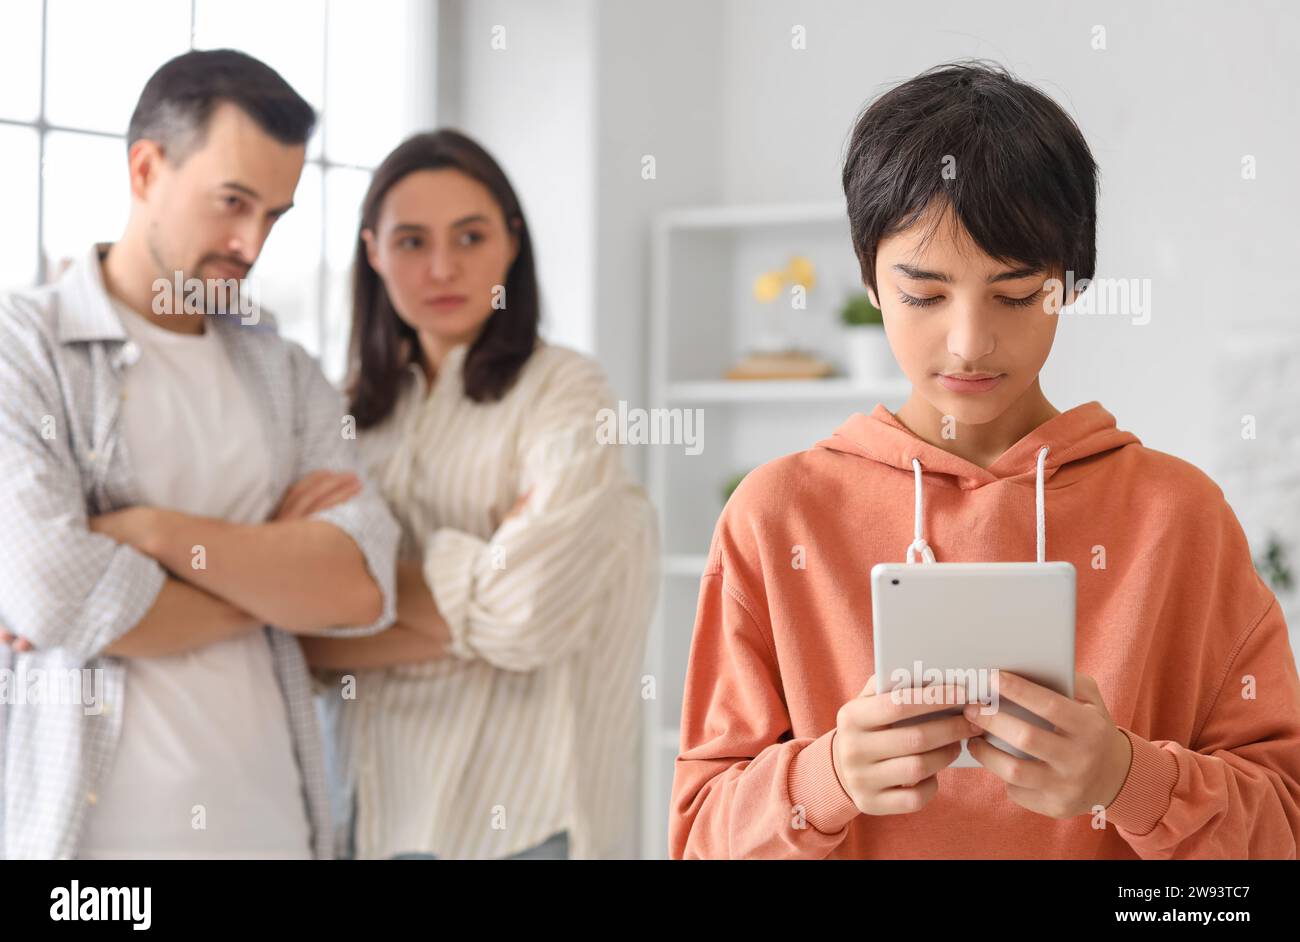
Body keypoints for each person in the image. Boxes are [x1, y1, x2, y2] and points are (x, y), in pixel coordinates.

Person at [669, 61, 1300, 859]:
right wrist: (824, 780)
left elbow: (1282, 830)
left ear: (1071, 283)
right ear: (870, 281)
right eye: (925, 295)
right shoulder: (775, 517)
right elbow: (698, 839)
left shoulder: (1181, 516)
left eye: (1015, 294)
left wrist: (1128, 779)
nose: (969, 342)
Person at [0, 49, 399, 859]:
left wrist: (148, 533)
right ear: (146, 170)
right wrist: (271, 583)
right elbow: (50, 593)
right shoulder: (24, 348)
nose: (250, 243)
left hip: (276, 832)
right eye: (232, 202)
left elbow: (360, 586)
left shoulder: (284, 371)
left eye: (274, 215)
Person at [298, 130, 660, 860]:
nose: (442, 268)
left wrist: (368, 593)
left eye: (470, 236)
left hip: (522, 820)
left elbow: (526, 620)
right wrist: (486, 568)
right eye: (411, 241)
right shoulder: (338, 411)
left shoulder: (566, 391)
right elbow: (302, 635)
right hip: (367, 810)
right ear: (373, 252)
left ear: (511, 242)